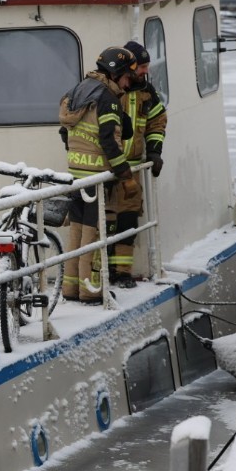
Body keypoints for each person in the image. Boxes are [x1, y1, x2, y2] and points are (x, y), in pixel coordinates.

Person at [57, 46, 137, 303]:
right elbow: (109, 141)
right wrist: (125, 175)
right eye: (127, 77)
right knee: (92, 237)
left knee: (77, 234)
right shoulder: (106, 99)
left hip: (76, 174)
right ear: (117, 72)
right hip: (96, 177)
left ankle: (70, 289)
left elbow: (64, 133)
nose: (128, 83)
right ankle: (90, 291)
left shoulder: (78, 90)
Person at [106, 40, 169, 288]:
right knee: (105, 222)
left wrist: (154, 152)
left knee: (128, 222)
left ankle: (121, 272)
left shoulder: (147, 92)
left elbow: (157, 121)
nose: (146, 71)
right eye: (142, 66)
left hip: (131, 170)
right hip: (106, 169)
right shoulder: (107, 89)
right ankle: (101, 272)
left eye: (147, 66)